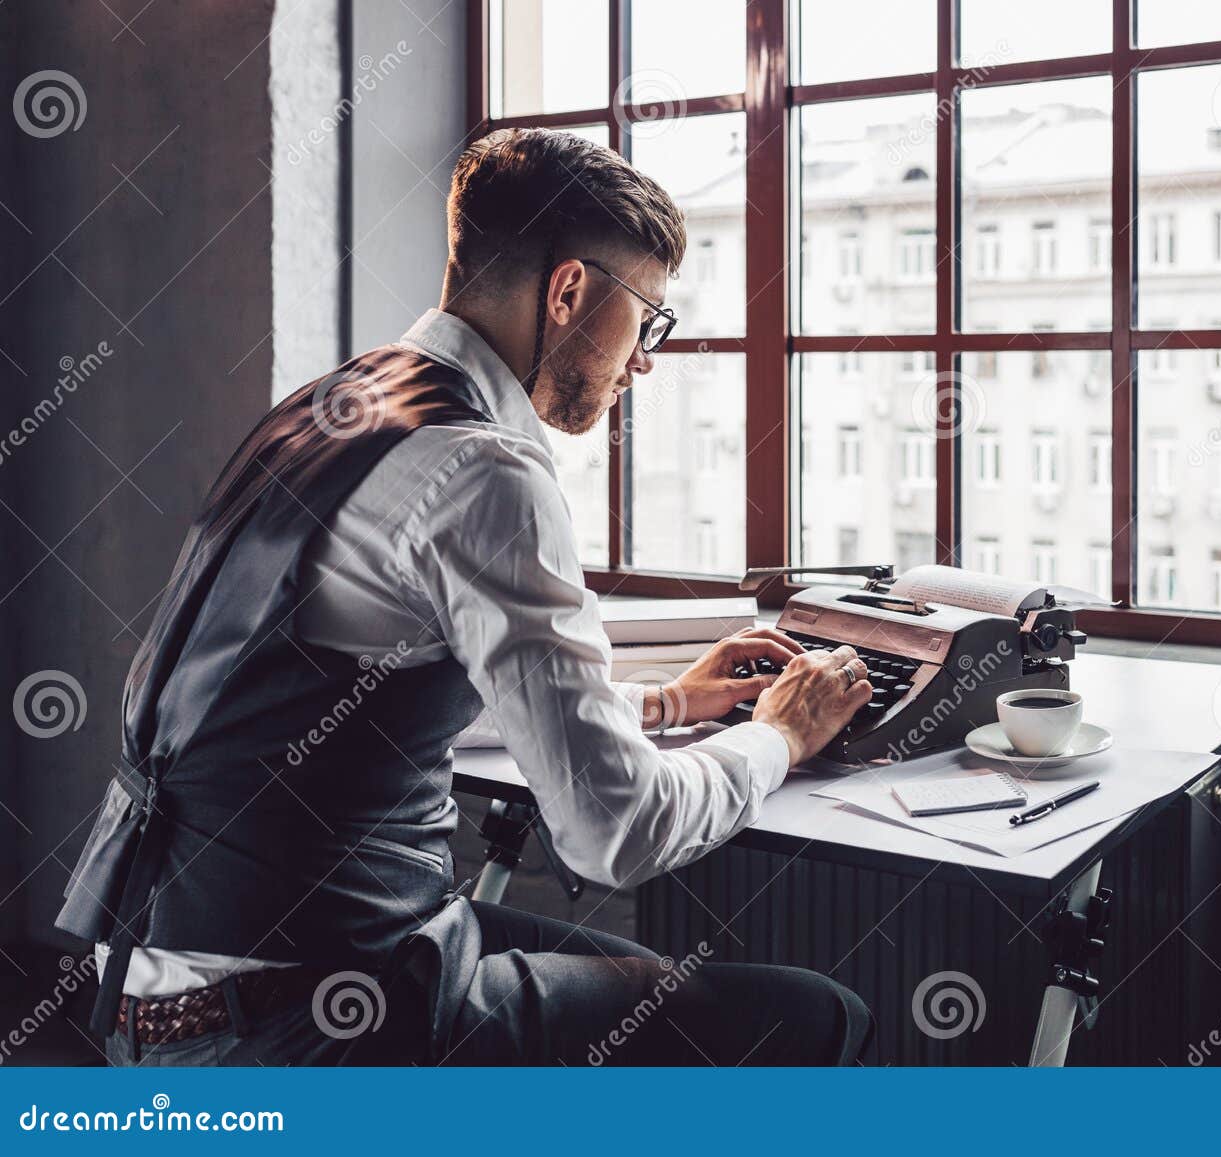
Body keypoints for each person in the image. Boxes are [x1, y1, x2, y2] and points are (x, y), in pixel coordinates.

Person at [58, 127, 874, 1066]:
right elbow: (617, 833)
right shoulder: (485, 470)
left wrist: (668, 703)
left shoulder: (332, 408)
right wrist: (782, 731)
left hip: (150, 1003)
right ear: (568, 290)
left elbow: (369, 687)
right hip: (302, 1029)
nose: (643, 359)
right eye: (646, 316)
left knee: (651, 982)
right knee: (813, 1017)